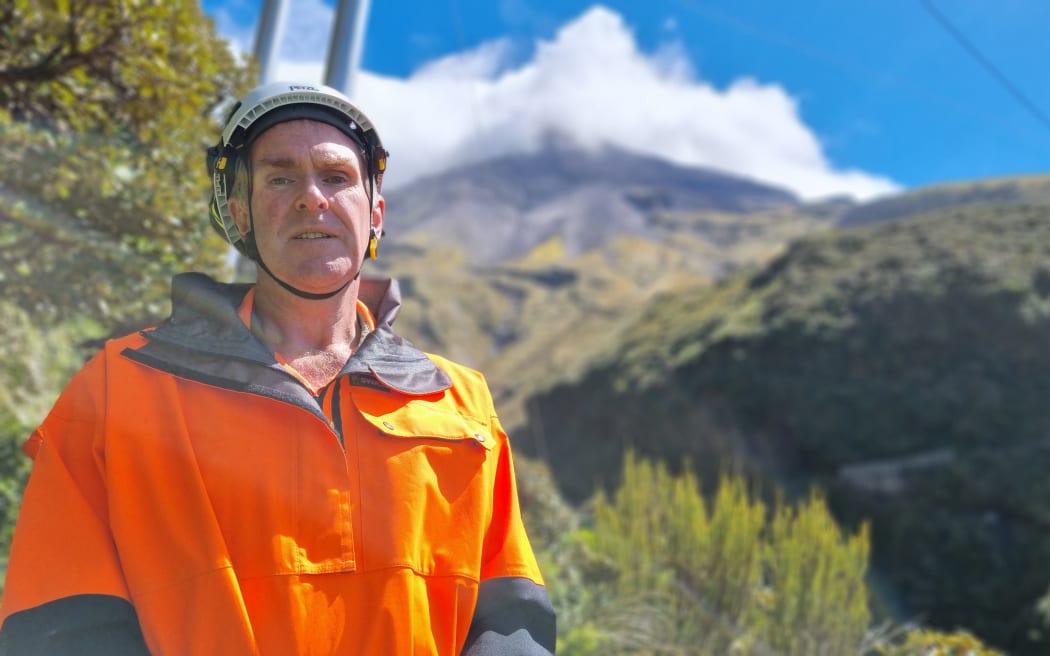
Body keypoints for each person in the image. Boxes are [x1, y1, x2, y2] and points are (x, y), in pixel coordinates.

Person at [0, 82, 556, 655]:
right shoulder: (119, 387)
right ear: (238, 211)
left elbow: (511, 616)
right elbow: (58, 621)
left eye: (337, 177)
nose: (311, 197)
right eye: (281, 177)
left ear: (376, 215)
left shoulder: (462, 403)